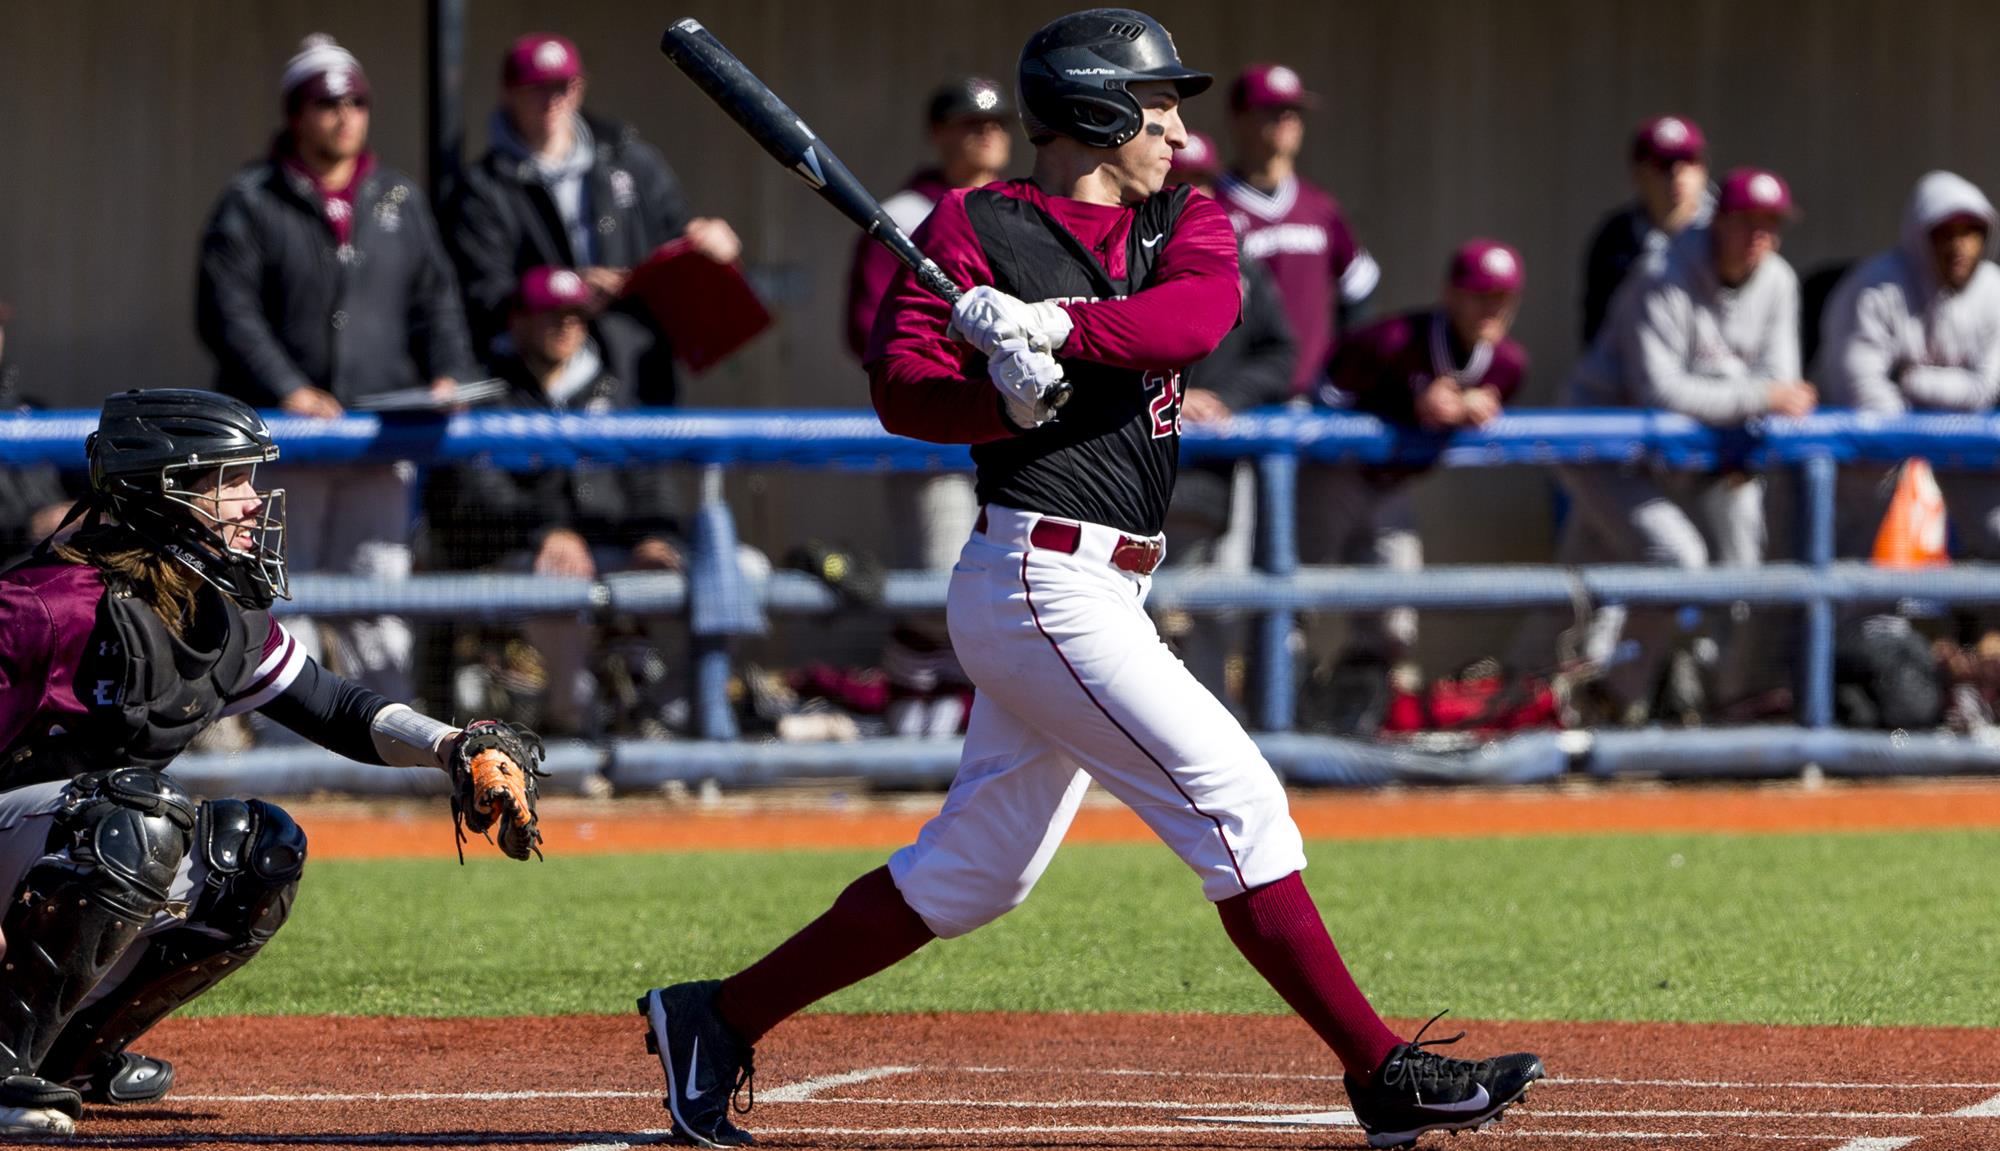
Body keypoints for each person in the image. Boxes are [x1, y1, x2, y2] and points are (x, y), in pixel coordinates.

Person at [631, 11, 1542, 1149]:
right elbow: (901, 385)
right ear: (1098, 112)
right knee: (1239, 803)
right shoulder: (967, 225)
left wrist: (1054, 326)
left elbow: (1196, 317)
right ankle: (1379, 1071)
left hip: (1108, 584)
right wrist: (997, 398)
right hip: (1034, 575)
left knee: (974, 874)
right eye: (1155, 105)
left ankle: (712, 1017)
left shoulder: (1180, 216)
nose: (1173, 127)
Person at [0, 390, 538, 1136]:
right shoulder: (41, 607)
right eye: (230, 480)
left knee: (257, 852)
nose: (253, 503)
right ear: (163, 491)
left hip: (46, 849)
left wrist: (451, 747)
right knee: (131, 823)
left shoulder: (212, 609)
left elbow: (333, 706)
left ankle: (62, 1055)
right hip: (25, 847)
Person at [197, 34, 478, 706]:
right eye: (327, 102)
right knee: (278, 592)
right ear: (296, 113)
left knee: (376, 597)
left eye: (356, 101)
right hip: (282, 439)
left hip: (380, 437)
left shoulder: (397, 199)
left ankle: (381, 746)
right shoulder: (253, 199)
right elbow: (226, 312)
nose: (345, 114)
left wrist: (450, 375)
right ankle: (284, 757)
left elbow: (437, 300)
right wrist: (288, 388)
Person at [1560, 167, 1813, 720]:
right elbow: (1663, 391)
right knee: (1657, 565)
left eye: (1771, 225)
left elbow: (1783, 384)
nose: (1759, 238)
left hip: (1697, 457)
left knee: (1739, 563)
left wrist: (1751, 400)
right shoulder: (1662, 274)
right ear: (1718, 220)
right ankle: (1606, 702)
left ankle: (1717, 698)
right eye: (1748, 223)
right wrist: (1755, 397)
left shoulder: (1778, 281)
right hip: (1609, 452)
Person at [426, 268, 682, 735]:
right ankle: (574, 729)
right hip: (522, 555)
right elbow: (477, 491)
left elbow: (648, 479)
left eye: (575, 315)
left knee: (736, 571)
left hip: (614, 550)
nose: (565, 325)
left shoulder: (611, 388)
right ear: (518, 321)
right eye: (550, 315)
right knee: (561, 581)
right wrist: (546, 532)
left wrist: (654, 538)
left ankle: (673, 723)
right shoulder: (489, 393)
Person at [841, 75, 1014, 735]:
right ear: (940, 133)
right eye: (970, 124)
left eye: (996, 124)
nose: (986, 135)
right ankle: (911, 723)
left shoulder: (1020, 207)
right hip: (937, 429)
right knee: (944, 583)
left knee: (993, 589)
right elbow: (871, 331)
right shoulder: (904, 212)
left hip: (1010, 430)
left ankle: (941, 724)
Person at [450, 32, 741, 406]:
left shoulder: (630, 161)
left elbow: (679, 240)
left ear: (580, 88)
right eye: (537, 88)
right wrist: (568, 291)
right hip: (535, 393)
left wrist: (711, 245)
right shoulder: (483, 188)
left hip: (637, 376)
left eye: (564, 87)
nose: (553, 100)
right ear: (508, 93)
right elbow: (481, 295)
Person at [1303, 240, 1529, 713]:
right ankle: (1276, 716)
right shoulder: (1392, 341)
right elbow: (1320, 399)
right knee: (1295, 599)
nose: (1491, 308)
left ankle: (1356, 715)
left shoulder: (1508, 365)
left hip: (1393, 487)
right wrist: (1406, 405)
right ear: (1451, 295)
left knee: (1394, 621)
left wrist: (1459, 408)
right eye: (1478, 294)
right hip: (1333, 477)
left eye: (1501, 297)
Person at [1159, 131, 1297, 709]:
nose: (1190, 195)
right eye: (1178, 183)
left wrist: (1224, 396)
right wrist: (1174, 390)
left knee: (1214, 612)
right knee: (1132, 614)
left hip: (1211, 472)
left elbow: (1279, 353)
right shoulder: (1122, 253)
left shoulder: (1237, 261)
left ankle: (1206, 736)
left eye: (1203, 184)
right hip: (1127, 467)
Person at [1817, 171, 2000, 558]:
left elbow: (1985, 389)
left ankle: (1979, 616)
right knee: (1849, 552)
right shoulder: (1874, 288)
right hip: (1873, 453)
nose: (1959, 245)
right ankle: (1863, 619)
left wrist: (1911, 380)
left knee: (1994, 531)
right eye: (1945, 233)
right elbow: (1863, 391)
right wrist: (1915, 436)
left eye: (1970, 232)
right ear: (1920, 235)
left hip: (1964, 446)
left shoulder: (1993, 290)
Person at [1214, 62, 1379, 395]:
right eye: (1273, 110)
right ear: (1239, 119)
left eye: (1294, 111)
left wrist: (1342, 376)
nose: (1286, 121)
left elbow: (1358, 291)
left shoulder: (1320, 207)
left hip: (1310, 399)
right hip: (1237, 400)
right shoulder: (1213, 206)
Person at [1580, 115, 1713, 348]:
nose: (1677, 173)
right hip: (1635, 375)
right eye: (1664, 163)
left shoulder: (1729, 227)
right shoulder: (1615, 239)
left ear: (1703, 169)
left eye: (1688, 160)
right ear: (1638, 173)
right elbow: (1597, 332)